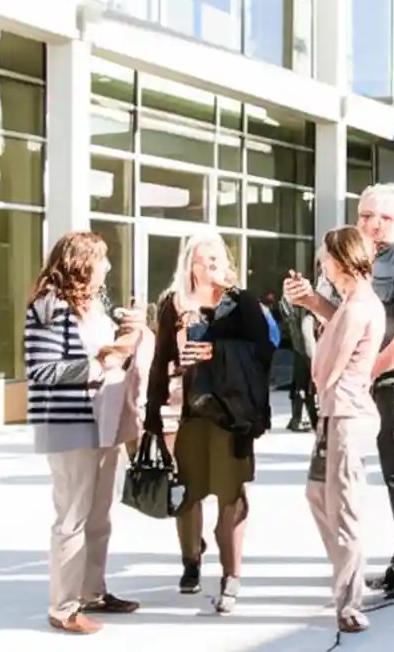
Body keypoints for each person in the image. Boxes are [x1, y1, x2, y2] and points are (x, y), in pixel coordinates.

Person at [288, 182, 394, 600]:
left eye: (384, 217)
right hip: (369, 379)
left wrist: (364, 373)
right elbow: (350, 321)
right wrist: (313, 303)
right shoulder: (362, 260)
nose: (373, 225)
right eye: (366, 216)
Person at [144, 233, 275, 613]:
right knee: (187, 491)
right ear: (190, 266)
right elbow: (160, 358)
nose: (210, 267)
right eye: (202, 260)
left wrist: (217, 352)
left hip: (232, 416)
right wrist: (152, 413)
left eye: (216, 259)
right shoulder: (175, 305)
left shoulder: (241, 302)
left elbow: (264, 353)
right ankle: (191, 560)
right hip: (188, 413)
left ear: (227, 262)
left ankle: (231, 575)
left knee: (231, 494)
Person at [26, 232, 143, 634]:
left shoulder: (97, 303)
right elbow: (42, 370)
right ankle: (64, 607)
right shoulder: (49, 307)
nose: (108, 267)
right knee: (72, 516)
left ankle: (93, 591)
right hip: (69, 423)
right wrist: (100, 362)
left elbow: (114, 356)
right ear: (80, 262)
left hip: (105, 421)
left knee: (99, 514)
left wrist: (129, 338)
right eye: (102, 259)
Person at [288, 226, 385, 635]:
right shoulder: (354, 301)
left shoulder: (358, 305)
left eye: (326, 256)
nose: (321, 263)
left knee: (342, 508)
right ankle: (346, 583)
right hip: (340, 415)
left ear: (340, 260)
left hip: (343, 415)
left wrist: (318, 373)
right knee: (318, 494)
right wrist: (312, 301)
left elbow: (328, 367)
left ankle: (349, 599)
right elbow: (341, 321)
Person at [279, 281, 320, 432]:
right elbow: (307, 337)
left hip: (299, 351)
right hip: (306, 353)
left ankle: (298, 419)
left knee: (300, 387)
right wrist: (314, 360)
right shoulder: (306, 315)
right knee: (306, 388)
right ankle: (307, 420)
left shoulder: (294, 310)